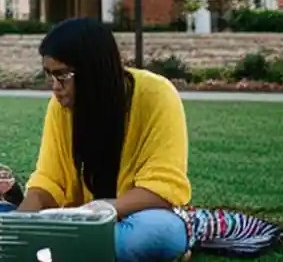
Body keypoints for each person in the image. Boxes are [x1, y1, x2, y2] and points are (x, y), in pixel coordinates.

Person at [18, 17, 192, 262]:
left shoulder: (157, 95)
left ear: (92, 71)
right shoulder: (60, 108)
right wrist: (20, 221)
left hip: (136, 217)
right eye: (50, 76)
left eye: (62, 76)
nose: (55, 87)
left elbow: (162, 188)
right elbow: (50, 179)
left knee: (159, 232)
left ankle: (64, 251)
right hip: (79, 222)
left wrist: (104, 209)